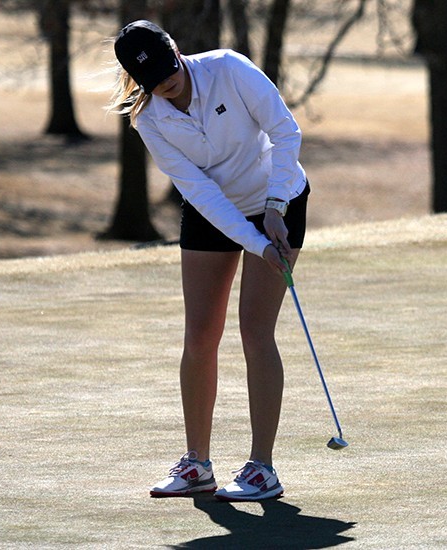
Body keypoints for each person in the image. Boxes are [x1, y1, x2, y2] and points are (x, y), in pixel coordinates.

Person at [108, 20, 310, 501]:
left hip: (279, 196)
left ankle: (263, 468)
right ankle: (197, 463)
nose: (165, 83)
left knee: (255, 330)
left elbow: (286, 133)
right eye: (151, 80)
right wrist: (255, 242)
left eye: (167, 68)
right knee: (200, 332)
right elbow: (200, 191)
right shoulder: (150, 120)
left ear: (176, 50)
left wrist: (276, 210)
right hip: (212, 208)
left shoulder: (228, 68)